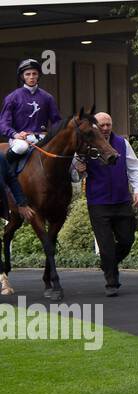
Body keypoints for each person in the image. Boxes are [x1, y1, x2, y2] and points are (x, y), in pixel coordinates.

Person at [73, 112, 138, 297]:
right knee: (106, 246)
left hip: (122, 201)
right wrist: (78, 170)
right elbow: (74, 176)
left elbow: (134, 168)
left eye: (108, 124)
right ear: (95, 126)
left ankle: (108, 264)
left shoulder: (122, 143)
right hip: (98, 203)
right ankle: (111, 282)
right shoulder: (85, 146)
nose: (105, 128)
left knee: (127, 240)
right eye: (101, 125)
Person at [0, 58, 62, 165]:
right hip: (20, 139)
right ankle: (6, 171)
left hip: (42, 137)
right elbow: (3, 124)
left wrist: (52, 134)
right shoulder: (12, 97)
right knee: (21, 147)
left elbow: (57, 122)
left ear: (38, 76)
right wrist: (15, 134)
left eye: (34, 74)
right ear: (22, 77)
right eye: (27, 74)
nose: (31, 77)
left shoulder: (47, 98)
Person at [0, 153, 36, 297]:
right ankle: (2, 276)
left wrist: (21, 203)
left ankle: (2, 276)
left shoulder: (1, 159)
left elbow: (12, 180)